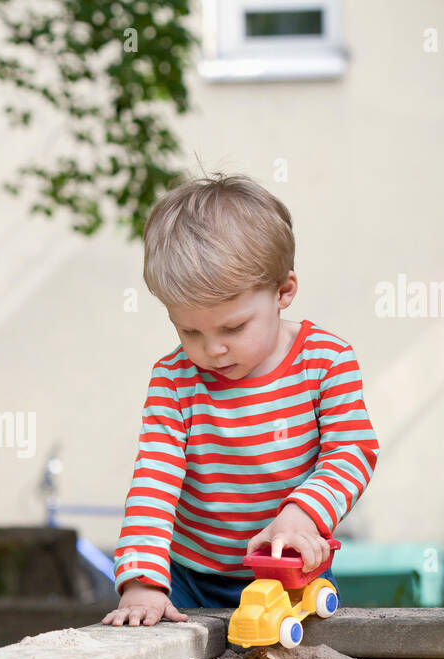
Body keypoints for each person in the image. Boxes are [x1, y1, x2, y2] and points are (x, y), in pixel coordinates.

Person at [102, 172, 379, 627]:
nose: (212, 349)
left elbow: (351, 452)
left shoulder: (325, 361)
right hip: (189, 575)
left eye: (233, 328)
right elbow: (155, 477)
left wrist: (302, 514)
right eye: (189, 331)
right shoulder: (175, 380)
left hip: (289, 564)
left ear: (283, 292)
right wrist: (143, 579)